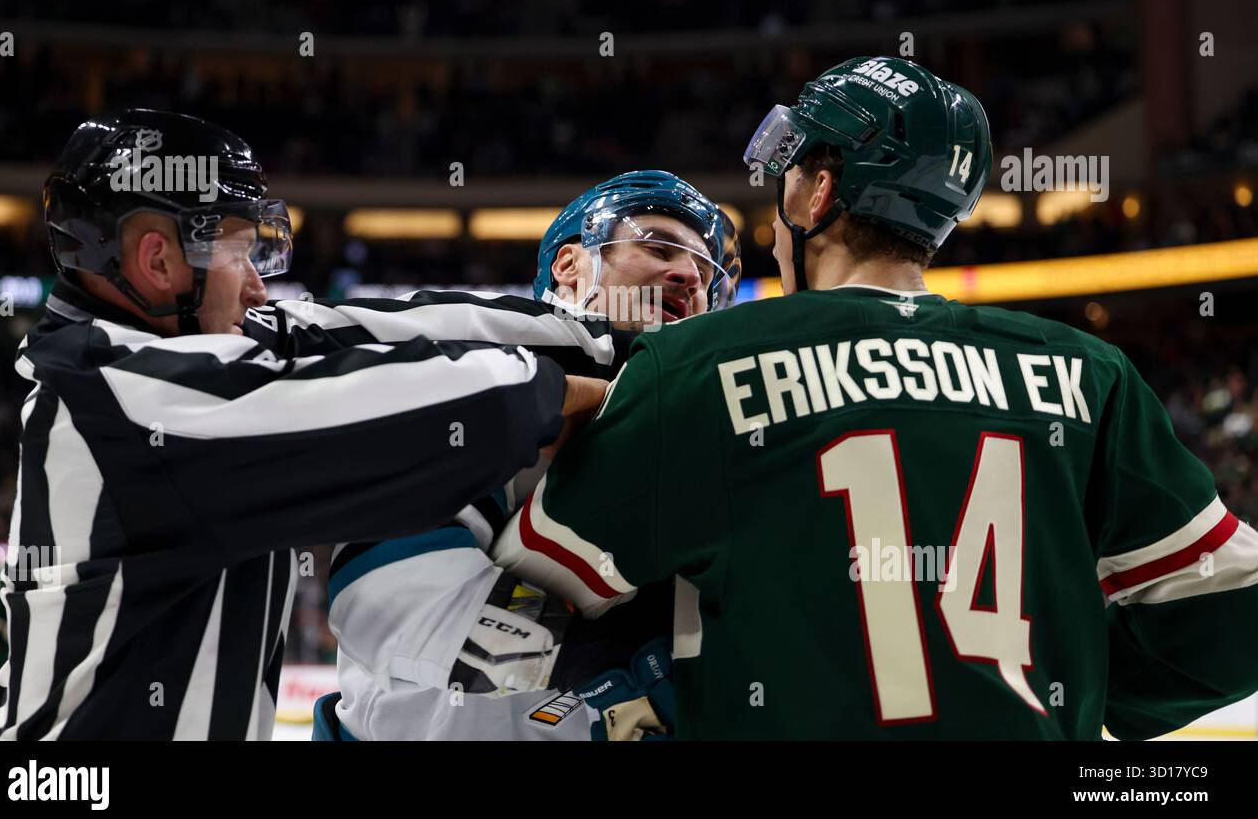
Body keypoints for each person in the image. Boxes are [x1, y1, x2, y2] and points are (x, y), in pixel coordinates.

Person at [493, 56, 1258, 739]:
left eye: (789, 174)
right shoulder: (1088, 372)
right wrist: (1076, 677)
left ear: (820, 190)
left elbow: (534, 581)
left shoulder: (697, 363)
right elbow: (1236, 614)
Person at [0, 109, 605, 741]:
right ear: (158, 261)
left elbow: (397, 326)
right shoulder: (132, 398)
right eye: (240, 253)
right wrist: (577, 392)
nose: (257, 287)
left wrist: (606, 340)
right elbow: (424, 410)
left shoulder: (160, 364)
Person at [314, 170, 741, 741]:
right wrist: (635, 662)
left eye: (703, 268)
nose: (688, 273)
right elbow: (399, 602)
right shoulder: (482, 365)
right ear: (569, 267)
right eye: (660, 247)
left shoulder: (695, 417)